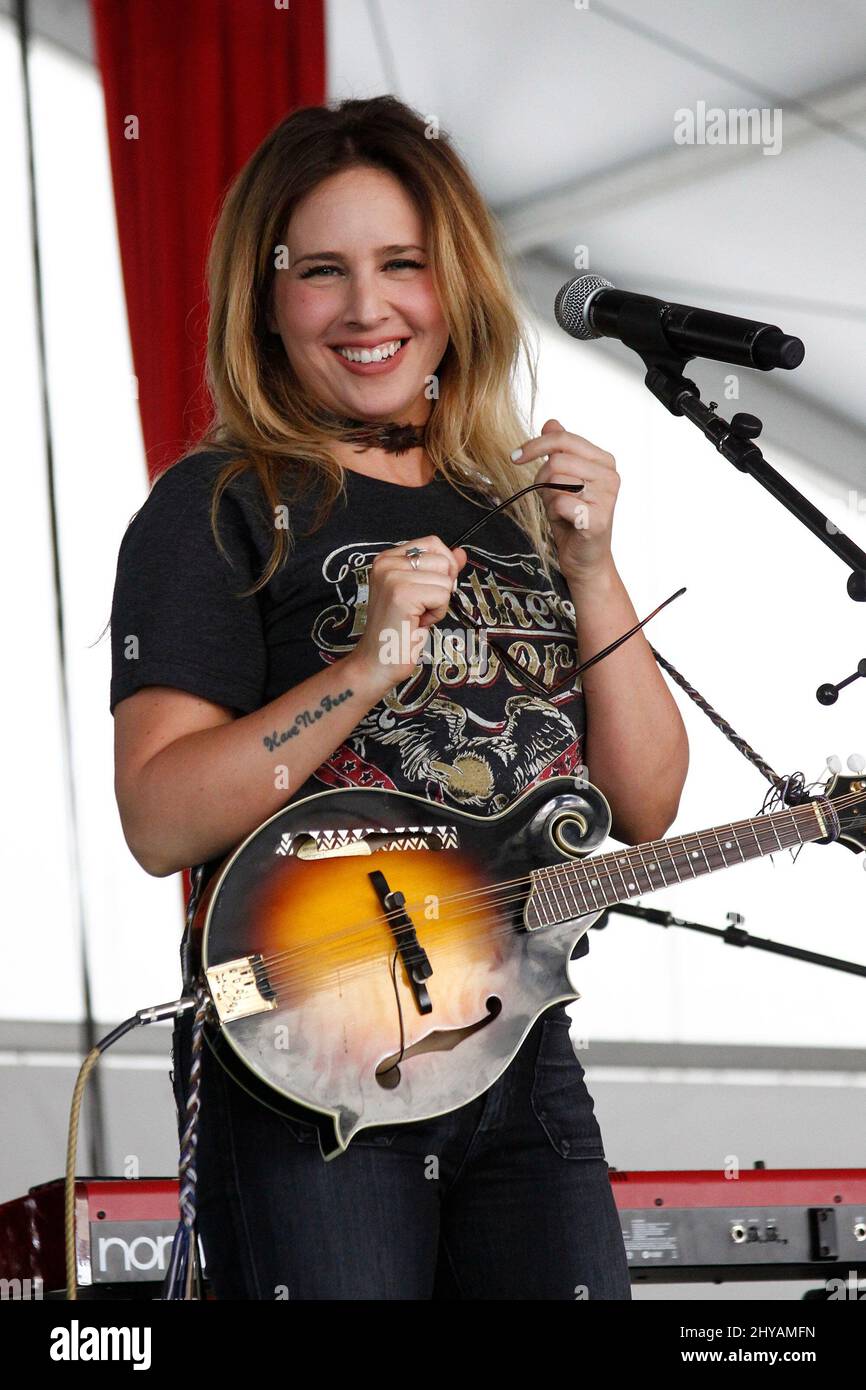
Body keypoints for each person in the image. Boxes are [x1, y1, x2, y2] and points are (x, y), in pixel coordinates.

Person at [109, 94, 688, 1300]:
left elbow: (644, 802)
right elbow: (160, 818)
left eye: (400, 265)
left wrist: (589, 567)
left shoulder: (513, 512)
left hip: (515, 1045)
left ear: (455, 285)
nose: (367, 309)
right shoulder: (215, 503)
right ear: (265, 300)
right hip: (304, 1054)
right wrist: (364, 666)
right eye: (321, 271)